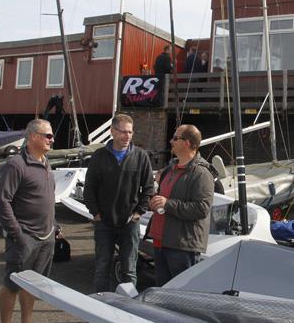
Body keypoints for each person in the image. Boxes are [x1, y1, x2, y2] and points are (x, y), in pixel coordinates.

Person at [0, 119, 58, 323]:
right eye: (47, 136)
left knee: (31, 284)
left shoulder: (46, 163)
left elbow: (48, 198)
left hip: (46, 235)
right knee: (12, 283)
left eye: (51, 136)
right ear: (32, 136)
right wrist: (17, 234)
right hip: (24, 237)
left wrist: (54, 225)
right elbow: (2, 202)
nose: (52, 139)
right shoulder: (16, 164)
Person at [84, 113, 154, 293]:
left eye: (130, 132)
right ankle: (98, 314)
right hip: (103, 223)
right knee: (102, 269)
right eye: (123, 132)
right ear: (112, 131)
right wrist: (96, 214)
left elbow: (148, 189)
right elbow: (89, 188)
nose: (127, 136)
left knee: (129, 270)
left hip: (129, 223)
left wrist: (138, 214)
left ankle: (127, 314)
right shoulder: (99, 156)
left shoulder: (141, 156)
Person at [147, 124, 214, 286]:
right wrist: (155, 202)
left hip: (182, 246)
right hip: (162, 242)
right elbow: (164, 198)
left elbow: (202, 208)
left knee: (180, 294)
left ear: (187, 143)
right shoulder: (171, 169)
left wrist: (168, 204)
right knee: (163, 294)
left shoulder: (202, 173)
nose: (171, 141)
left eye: (175, 138)